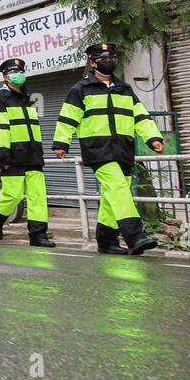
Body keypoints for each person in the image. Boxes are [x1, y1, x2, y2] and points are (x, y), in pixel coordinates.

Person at [53, 42, 166, 255]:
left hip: (123, 148)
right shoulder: (81, 89)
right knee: (118, 189)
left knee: (111, 194)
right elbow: (67, 118)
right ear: (93, 62)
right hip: (98, 149)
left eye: (113, 58)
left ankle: (106, 241)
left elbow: (140, 116)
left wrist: (152, 138)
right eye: (105, 58)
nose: (110, 61)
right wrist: (61, 143)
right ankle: (135, 236)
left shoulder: (124, 89)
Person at [0, 58, 54, 247]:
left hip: (32, 154)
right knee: (12, 195)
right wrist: (2, 154)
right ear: (5, 76)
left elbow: (33, 128)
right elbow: (0, 127)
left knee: (38, 196)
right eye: (14, 72)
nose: (19, 75)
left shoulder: (27, 97)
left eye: (21, 71)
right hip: (11, 155)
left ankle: (38, 235)